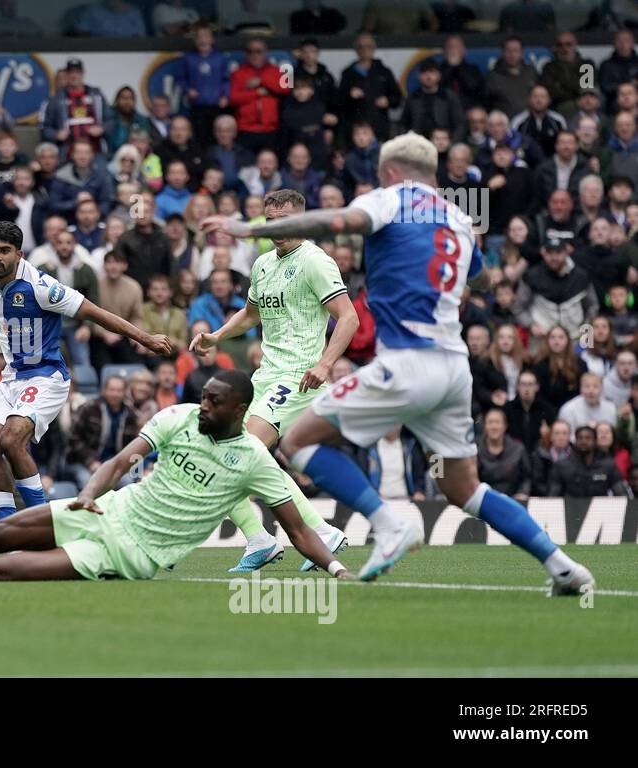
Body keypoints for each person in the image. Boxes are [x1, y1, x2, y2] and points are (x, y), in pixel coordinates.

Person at [201, 130, 595, 595]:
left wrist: (252, 229)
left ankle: (388, 524)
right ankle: (563, 566)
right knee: (466, 490)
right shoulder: (457, 218)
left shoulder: (392, 199)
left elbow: (341, 221)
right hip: (455, 369)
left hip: (408, 360)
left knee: (301, 441)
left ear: (390, 173)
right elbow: (484, 281)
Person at [0, 369, 347, 583]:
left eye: (215, 401)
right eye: (205, 396)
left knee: (0, 570)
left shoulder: (256, 459)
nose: (204, 404)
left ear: (240, 408)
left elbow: (300, 530)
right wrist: (86, 494)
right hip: (104, 510)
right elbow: (120, 462)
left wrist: (338, 571)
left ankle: (67, 558)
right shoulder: (179, 417)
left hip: (129, 554)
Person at [0, 221, 173, 521]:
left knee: (11, 438)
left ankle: (43, 525)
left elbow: (96, 314)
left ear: (19, 253)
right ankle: (6, 530)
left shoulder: (42, 287)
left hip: (47, 377)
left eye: (4, 251)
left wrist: (146, 338)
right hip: (12, 378)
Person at [192, 188, 356, 571]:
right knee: (220, 448)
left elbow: (348, 318)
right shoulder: (263, 262)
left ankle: (310, 533)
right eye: (270, 222)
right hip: (265, 375)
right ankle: (264, 538)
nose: (276, 229)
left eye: (285, 221)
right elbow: (250, 315)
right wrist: (217, 336)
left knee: (244, 447)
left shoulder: (316, 261)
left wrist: (326, 364)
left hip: (300, 375)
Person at [548, 425, 628, 497]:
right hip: (571, 509)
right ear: (575, 441)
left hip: (600, 510)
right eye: (580, 438)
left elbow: (622, 494)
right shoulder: (562, 466)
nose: (584, 441)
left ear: (595, 441)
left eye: (588, 438)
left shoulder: (608, 465)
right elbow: (553, 497)